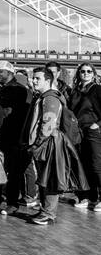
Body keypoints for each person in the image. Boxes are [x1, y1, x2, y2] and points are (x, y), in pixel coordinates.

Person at [26, 66, 81, 227]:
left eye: (38, 78)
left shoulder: (50, 98)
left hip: (48, 143)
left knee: (49, 178)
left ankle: (48, 213)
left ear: (48, 80)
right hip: (48, 142)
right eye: (33, 78)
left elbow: (48, 124)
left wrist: (37, 144)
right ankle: (46, 210)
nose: (34, 81)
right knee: (45, 177)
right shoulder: (46, 96)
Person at [0, 60, 30, 213]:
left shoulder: (18, 90)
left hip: (14, 136)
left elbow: (3, 105)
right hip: (2, 134)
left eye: (0, 71)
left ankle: (12, 202)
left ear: (9, 73)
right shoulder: (3, 88)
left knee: (13, 171)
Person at [69, 63, 101, 210]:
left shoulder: (97, 89)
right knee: (82, 165)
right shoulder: (75, 91)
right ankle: (86, 197)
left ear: (93, 74)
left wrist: (98, 124)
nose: (86, 73)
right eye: (83, 71)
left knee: (96, 165)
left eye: (89, 71)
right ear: (79, 74)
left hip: (93, 132)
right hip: (78, 133)